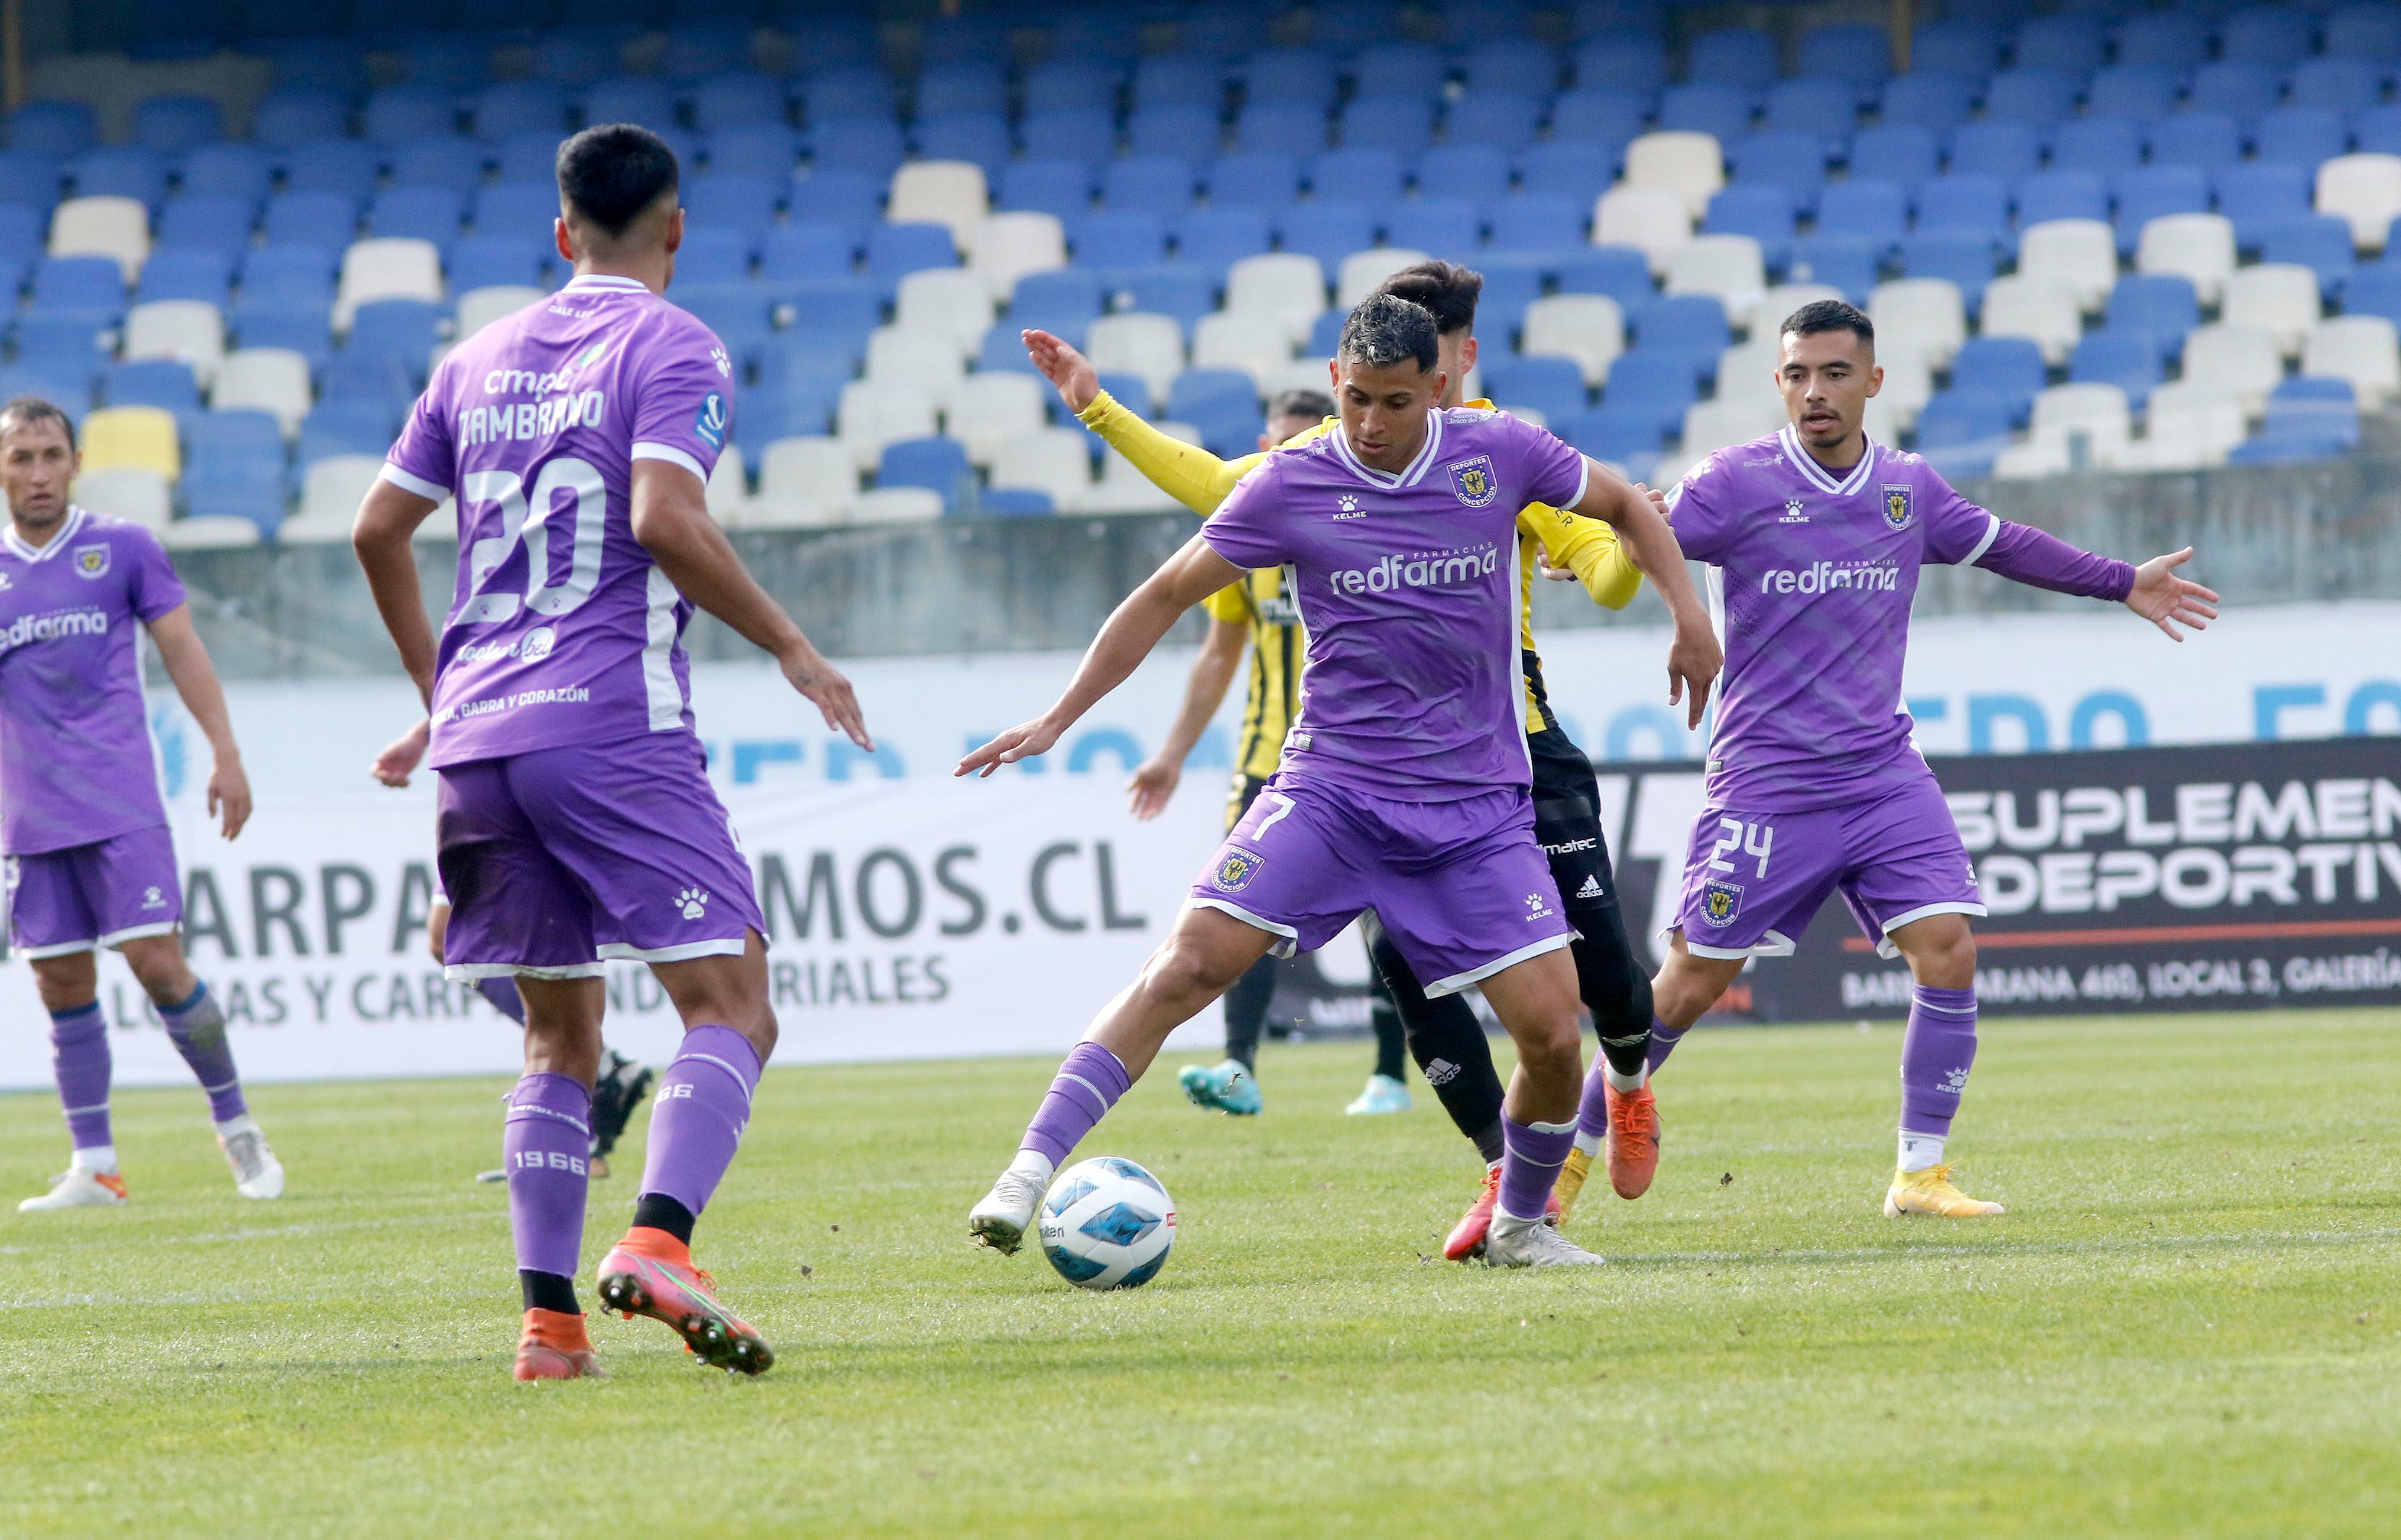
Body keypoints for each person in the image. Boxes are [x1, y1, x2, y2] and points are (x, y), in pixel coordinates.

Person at [964, 294, 1719, 1269]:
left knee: (1550, 1034)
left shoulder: (1502, 454)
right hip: (1332, 797)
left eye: (1393, 402)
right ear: (1334, 380)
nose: (1369, 421)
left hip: (1475, 812)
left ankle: (1520, 1226)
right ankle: (1025, 1175)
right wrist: (1057, 717)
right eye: (1355, 397)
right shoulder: (1292, 481)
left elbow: (1620, 506)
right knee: (1184, 967)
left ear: (1437, 387)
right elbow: (1162, 594)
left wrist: (1688, 618)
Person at [351, 124, 868, 1379]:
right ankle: (658, 1242)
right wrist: (794, 648)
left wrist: (448, 688)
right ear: (676, 229)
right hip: (608, 723)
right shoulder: (674, 342)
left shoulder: (473, 360)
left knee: (556, 1040)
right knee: (732, 1004)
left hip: (480, 742)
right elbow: (661, 516)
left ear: (561, 230)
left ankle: (548, 1331)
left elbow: (377, 530)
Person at [1643, 299, 2217, 1218]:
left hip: (1879, 770)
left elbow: (2005, 546)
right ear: (1778, 383)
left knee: (1947, 950)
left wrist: (2122, 582)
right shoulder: (1736, 481)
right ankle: (1575, 1150)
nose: (1815, 392)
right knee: (1692, 985)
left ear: (1873, 381)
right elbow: (1646, 525)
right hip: (1769, 778)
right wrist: (1588, 547)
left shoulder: (1907, 488)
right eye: (1797, 374)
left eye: (1835, 373)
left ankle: (1919, 1174)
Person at [0, 397, 284, 1212]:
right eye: (22, 458)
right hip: (28, 817)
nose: (40, 472)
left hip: (121, 800)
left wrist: (227, 755)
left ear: (76, 462)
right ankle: (96, 1164)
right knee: (59, 981)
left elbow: (183, 650)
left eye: (52, 455)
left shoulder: (122, 548)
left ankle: (234, 1122)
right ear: (2, 469)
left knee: (159, 964)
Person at [1126, 386, 1418, 1119]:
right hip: (1267, 757)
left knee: (1386, 918)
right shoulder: (1246, 540)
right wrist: (1171, 754)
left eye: (1292, 444)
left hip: (1359, 757)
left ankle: (1390, 1075)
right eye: (1269, 446)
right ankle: (1238, 1067)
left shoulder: (1360, 529)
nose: (1276, 458)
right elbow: (1218, 658)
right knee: (1235, 905)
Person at [370, 717, 656, 1184]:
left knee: (556, 944)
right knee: (446, 941)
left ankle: (577, 1130)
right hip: (474, 776)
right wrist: (420, 737)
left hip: (530, 769)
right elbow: (464, 674)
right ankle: (600, 1078)